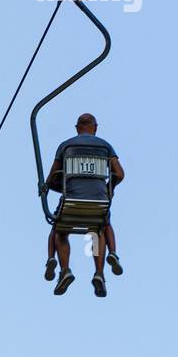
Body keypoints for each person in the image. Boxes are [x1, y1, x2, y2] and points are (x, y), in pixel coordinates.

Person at [43, 112, 125, 297]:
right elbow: (119, 173)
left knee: (60, 230)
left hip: (72, 200)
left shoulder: (66, 146)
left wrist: (49, 187)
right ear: (95, 127)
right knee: (99, 229)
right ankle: (100, 273)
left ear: (76, 128)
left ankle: (64, 270)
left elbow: (52, 177)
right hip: (98, 200)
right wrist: (109, 188)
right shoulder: (106, 146)